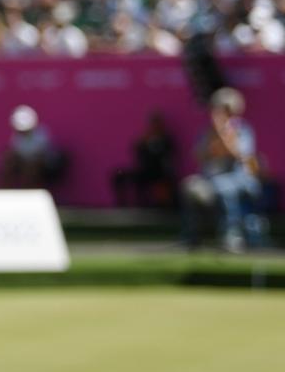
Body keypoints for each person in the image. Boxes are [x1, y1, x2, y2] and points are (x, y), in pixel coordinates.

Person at [182, 87, 268, 251]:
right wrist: (212, 138)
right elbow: (199, 156)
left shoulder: (242, 130)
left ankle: (232, 235)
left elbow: (240, 156)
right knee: (190, 187)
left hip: (240, 180)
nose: (220, 113)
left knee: (223, 187)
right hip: (211, 179)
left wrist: (224, 134)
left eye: (225, 110)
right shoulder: (207, 131)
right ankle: (192, 237)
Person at [110, 110, 179, 208]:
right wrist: (142, 142)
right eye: (152, 124)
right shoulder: (144, 139)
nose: (154, 126)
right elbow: (137, 154)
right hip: (144, 171)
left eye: (156, 123)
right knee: (117, 175)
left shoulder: (166, 140)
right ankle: (122, 204)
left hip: (159, 173)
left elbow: (167, 159)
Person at [0, 105, 61, 189]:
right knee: (9, 161)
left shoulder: (41, 133)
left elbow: (41, 155)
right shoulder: (16, 136)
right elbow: (15, 153)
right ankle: (5, 192)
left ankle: (29, 192)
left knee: (32, 166)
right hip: (24, 163)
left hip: (44, 165)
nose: (22, 131)